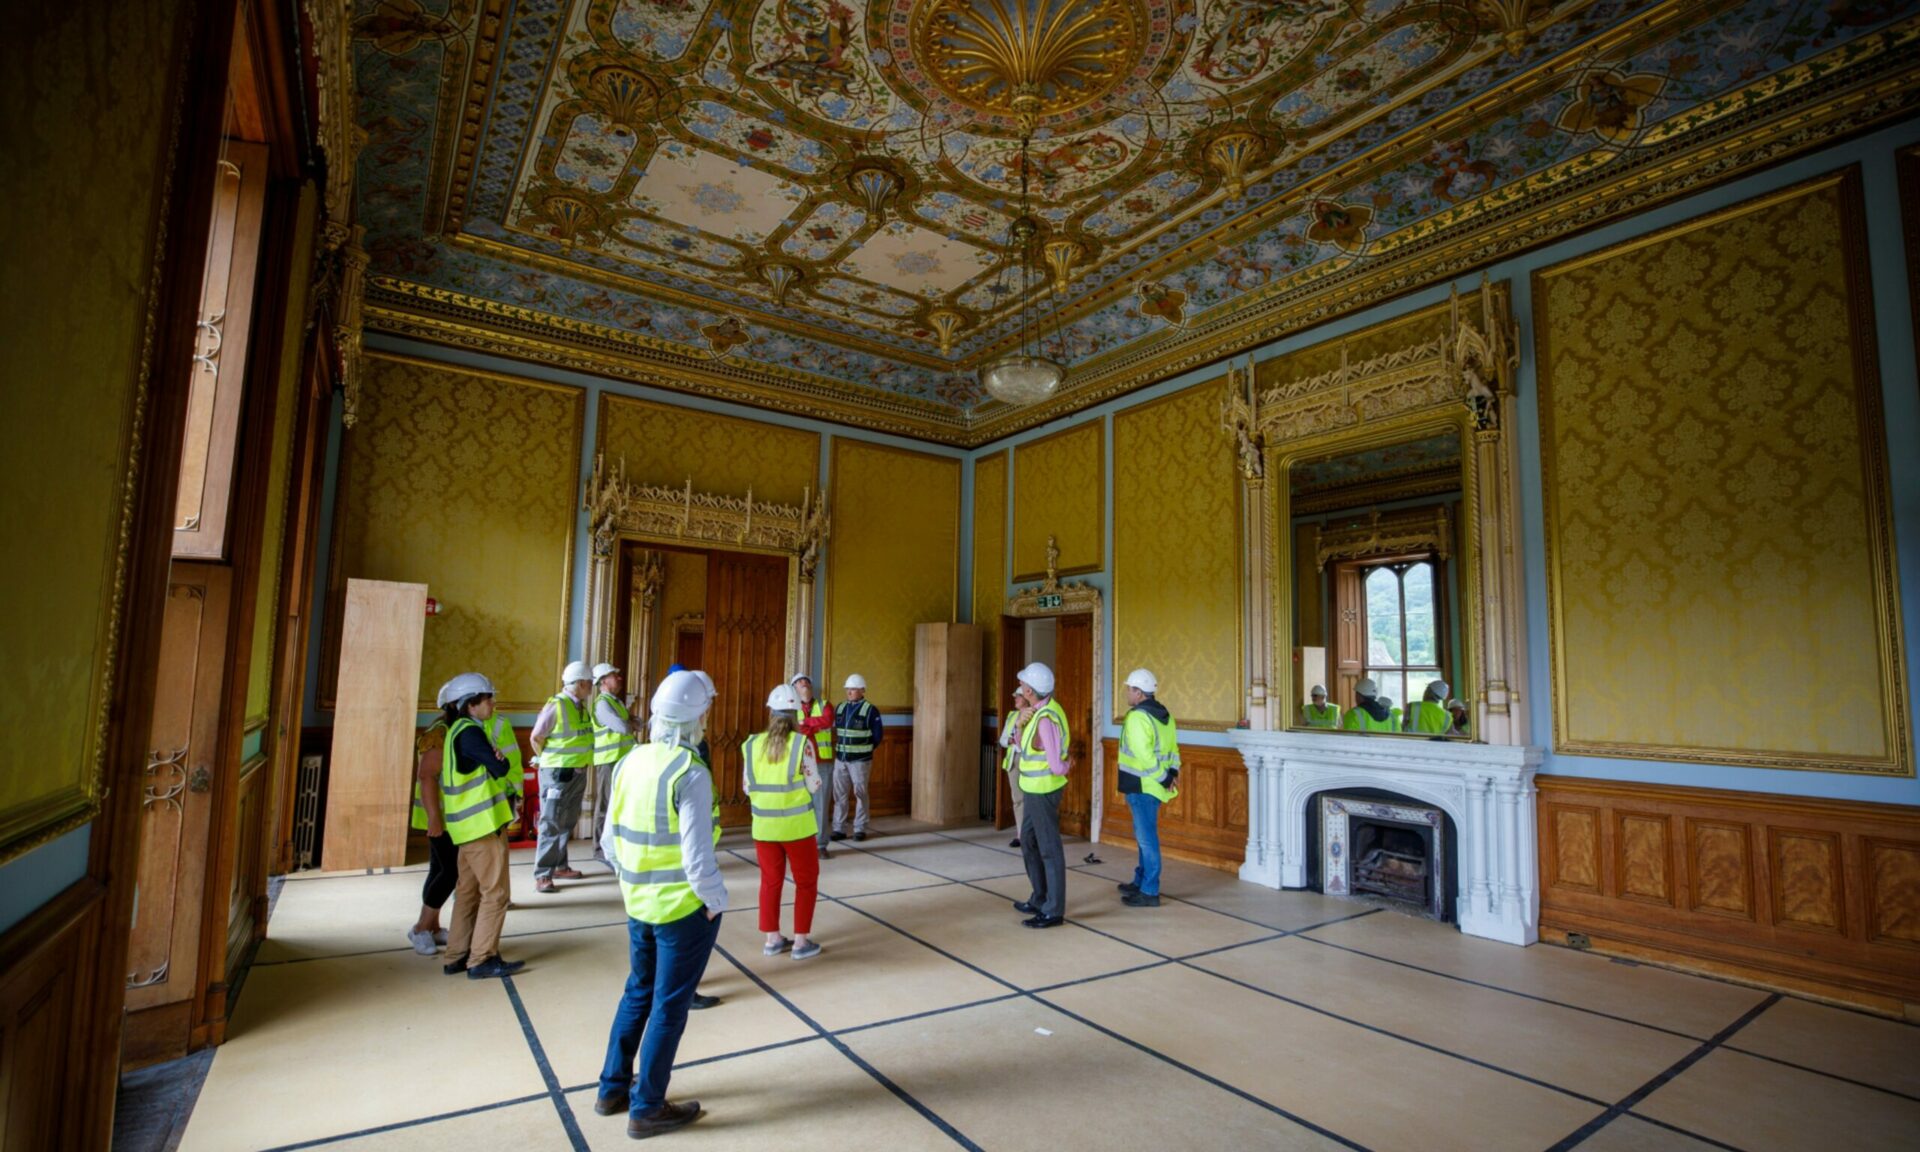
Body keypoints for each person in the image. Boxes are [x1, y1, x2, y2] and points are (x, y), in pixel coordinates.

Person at [594, 670, 727, 1138]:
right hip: (683, 911)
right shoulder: (690, 772)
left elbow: (609, 842)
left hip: (639, 904)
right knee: (670, 1006)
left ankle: (612, 1087)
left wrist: (635, 882)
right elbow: (697, 858)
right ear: (697, 719)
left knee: (638, 991)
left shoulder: (631, 761)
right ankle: (647, 1106)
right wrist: (715, 901)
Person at [437, 672, 523, 980]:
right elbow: (501, 767)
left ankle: (456, 955)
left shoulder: (457, 730)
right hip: (482, 827)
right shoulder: (471, 733)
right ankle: (482, 958)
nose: (493, 704)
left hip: (466, 829)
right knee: (495, 894)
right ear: (472, 704)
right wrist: (496, 758)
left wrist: (495, 758)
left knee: (468, 892)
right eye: (489, 699)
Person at [745, 683, 824, 961]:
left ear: (770, 713)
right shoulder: (802, 744)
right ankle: (801, 942)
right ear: (795, 715)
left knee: (770, 881)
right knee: (806, 883)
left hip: (764, 828)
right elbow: (814, 785)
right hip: (797, 828)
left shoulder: (751, 745)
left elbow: (746, 786)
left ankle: (772, 939)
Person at [1002, 662, 1068, 928]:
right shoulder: (1035, 713)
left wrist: (1066, 767)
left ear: (1029, 690)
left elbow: (1055, 763)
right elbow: (1018, 745)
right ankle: (1039, 897)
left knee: (1049, 849)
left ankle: (1053, 910)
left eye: (1023, 686)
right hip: (1031, 789)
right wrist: (1018, 725)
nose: (1021, 688)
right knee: (1028, 840)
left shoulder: (1045, 719)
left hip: (1044, 790)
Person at [1116, 668, 1179, 909]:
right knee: (1144, 838)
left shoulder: (1137, 717)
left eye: (1129, 689)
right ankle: (1140, 881)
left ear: (1139, 692)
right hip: (1154, 785)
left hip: (1142, 784)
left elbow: (1144, 756)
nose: (1127, 693)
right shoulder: (1165, 715)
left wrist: (1163, 777)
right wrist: (1171, 774)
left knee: (1147, 839)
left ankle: (1149, 890)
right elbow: (1174, 751)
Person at [531, 660, 595, 894]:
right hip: (557, 774)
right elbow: (536, 737)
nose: (591, 687)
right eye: (589, 683)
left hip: (577, 772)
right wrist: (546, 760)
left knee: (567, 821)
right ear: (579, 683)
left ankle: (560, 865)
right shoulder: (557, 705)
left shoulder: (580, 706)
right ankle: (543, 875)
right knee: (551, 822)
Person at [405, 682, 454, 955]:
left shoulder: (449, 730)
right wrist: (435, 818)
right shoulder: (439, 733)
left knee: (439, 869)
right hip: (438, 817)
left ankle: (433, 926)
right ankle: (421, 928)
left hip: (448, 817)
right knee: (450, 871)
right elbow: (426, 777)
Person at [830, 673, 885, 842]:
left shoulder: (870, 710)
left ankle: (860, 828)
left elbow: (878, 735)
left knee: (860, 793)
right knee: (839, 795)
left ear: (862, 690)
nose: (849, 692)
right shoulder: (840, 708)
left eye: (853, 689)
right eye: (848, 689)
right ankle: (839, 829)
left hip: (860, 761)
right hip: (841, 759)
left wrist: (865, 750)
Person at [790, 673, 836, 860]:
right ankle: (799, 844)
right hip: (798, 764)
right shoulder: (790, 707)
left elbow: (826, 721)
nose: (805, 684)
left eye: (807, 682)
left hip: (822, 762)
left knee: (821, 805)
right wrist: (808, 726)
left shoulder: (825, 705)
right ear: (794, 688)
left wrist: (805, 723)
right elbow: (794, 728)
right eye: (801, 683)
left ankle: (820, 845)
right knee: (799, 805)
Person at [591, 662, 636, 851]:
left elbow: (634, 723)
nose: (619, 678)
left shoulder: (616, 702)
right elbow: (624, 727)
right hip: (608, 760)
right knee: (605, 805)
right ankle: (600, 847)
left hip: (621, 759)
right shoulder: (602, 703)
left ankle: (614, 844)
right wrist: (630, 723)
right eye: (613, 675)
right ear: (603, 681)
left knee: (618, 803)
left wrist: (630, 722)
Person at [997, 709, 1023, 849]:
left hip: (1029, 761)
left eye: (1019, 696)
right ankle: (1021, 835)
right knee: (1018, 799)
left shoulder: (1037, 712)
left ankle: (1033, 835)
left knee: (1033, 801)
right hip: (1013, 760)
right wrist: (1010, 740)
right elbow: (1002, 740)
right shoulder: (1012, 715)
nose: (1016, 699)